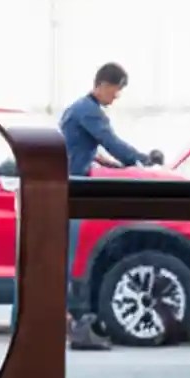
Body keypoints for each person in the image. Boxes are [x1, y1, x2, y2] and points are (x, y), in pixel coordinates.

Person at [57, 62, 156, 350]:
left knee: (65, 256)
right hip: (70, 191)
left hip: (69, 184)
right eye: (116, 90)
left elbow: (84, 147)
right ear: (102, 85)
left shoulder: (77, 108)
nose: (117, 97)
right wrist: (139, 160)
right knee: (65, 256)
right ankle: (63, 319)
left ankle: (63, 317)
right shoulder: (90, 111)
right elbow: (110, 141)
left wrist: (106, 164)